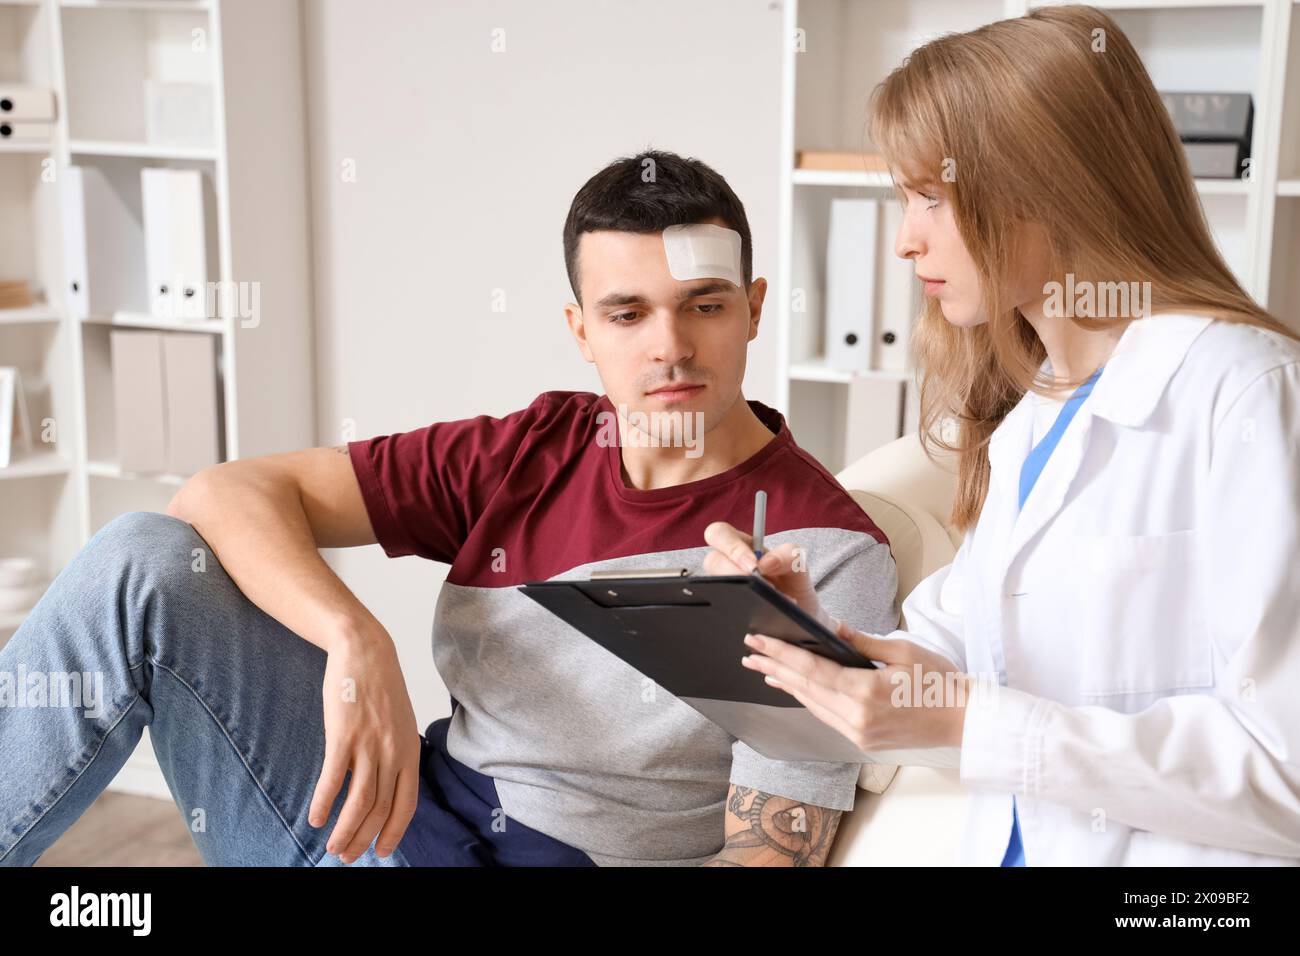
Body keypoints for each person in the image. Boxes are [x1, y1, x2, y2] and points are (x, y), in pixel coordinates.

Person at [0, 150, 897, 867]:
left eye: (703, 305)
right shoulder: (535, 447)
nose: (671, 347)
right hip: (376, 824)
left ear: (752, 310)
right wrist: (356, 639)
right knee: (143, 560)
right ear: (581, 330)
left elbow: (770, 854)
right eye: (628, 315)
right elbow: (223, 492)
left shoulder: (820, 554)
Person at [705, 4, 1300, 866]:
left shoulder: (1245, 393)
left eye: (929, 198)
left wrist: (972, 718)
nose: (906, 241)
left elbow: (1286, 772)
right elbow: (965, 672)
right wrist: (818, 637)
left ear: (1046, 186)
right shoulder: (1034, 423)